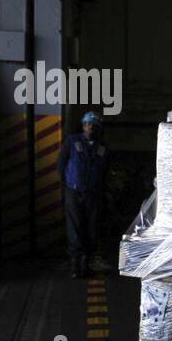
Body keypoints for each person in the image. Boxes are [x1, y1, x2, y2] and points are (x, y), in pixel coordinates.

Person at [57, 111, 110, 278]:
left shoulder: (103, 148)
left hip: (93, 194)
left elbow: (105, 171)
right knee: (75, 226)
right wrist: (66, 185)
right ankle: (75, 265)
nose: (90, 127)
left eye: (93, 124)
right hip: (73, 191)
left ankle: (86, 263)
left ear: (98, 128)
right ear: (83, 125)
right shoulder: (72, 142)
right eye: (87, 123)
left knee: (91, 228)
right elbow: (61, 163)